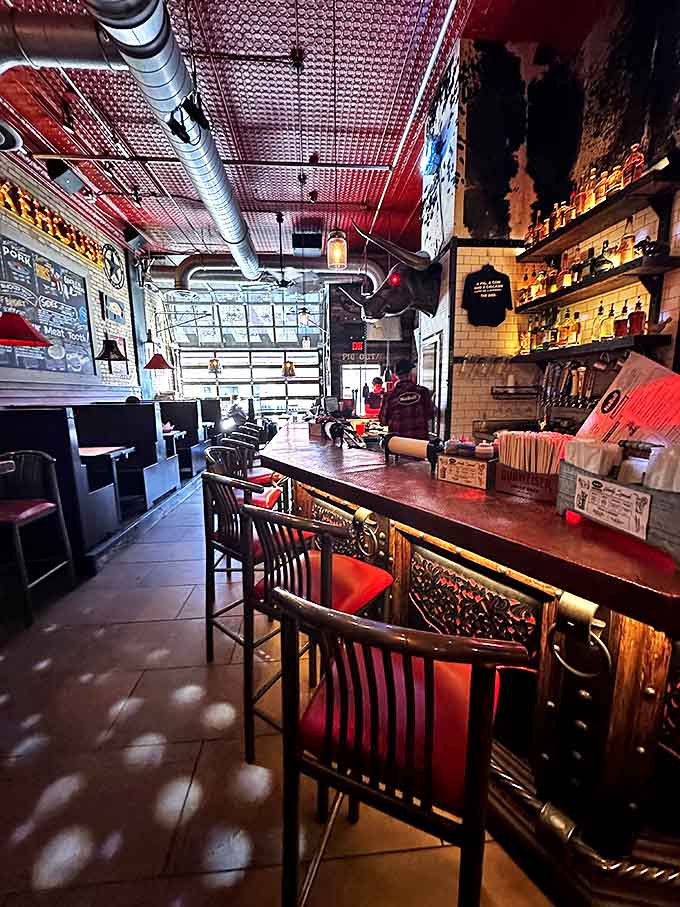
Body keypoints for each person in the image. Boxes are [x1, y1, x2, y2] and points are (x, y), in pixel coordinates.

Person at [379, 358, 434, 440]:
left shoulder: (389, 396)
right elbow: (430, 415)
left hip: (398, 444)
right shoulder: (423, 392)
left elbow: (383, 421)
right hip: (420, 444)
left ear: (395, 376)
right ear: (411, 373)